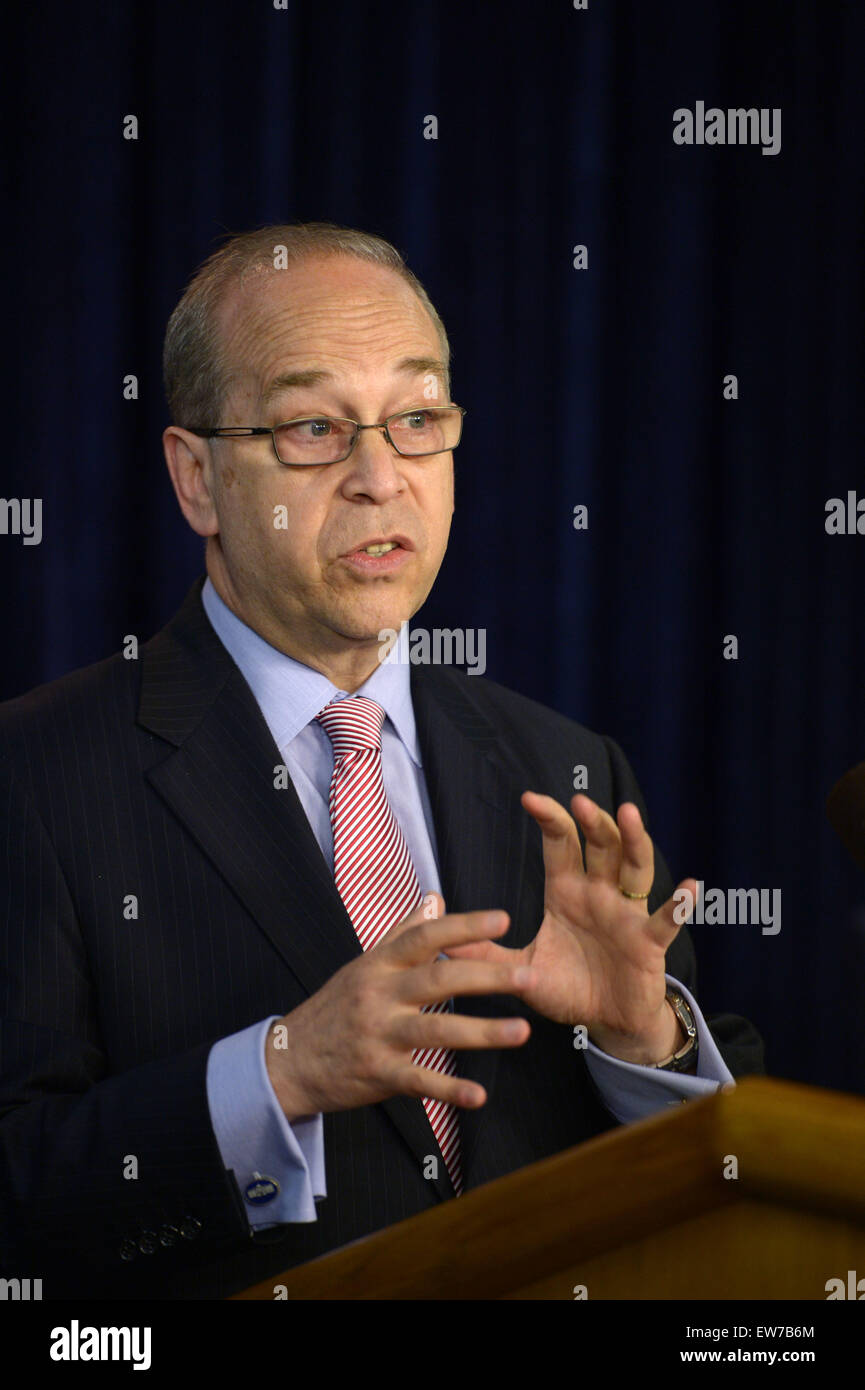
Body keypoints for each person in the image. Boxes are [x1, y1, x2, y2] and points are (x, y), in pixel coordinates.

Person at [0, 223, 763, 1299]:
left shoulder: (565, 763)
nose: (377, 478)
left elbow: (715, 1179)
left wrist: (639, 1038)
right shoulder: (34, 775)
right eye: (314, 427)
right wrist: (279, 1073)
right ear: (199, 479)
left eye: (415, 421)